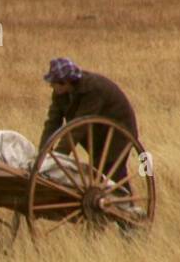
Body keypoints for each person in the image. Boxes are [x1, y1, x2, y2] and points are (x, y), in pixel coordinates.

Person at [39, 58, 139, 192]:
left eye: (53, 83)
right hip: (96, 135)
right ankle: (124, 204)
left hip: (118, 131)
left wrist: (58, 158)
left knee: (109, 171)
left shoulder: (93, 89)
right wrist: (42, 155)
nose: (51, 86)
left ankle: (127, 207)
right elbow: (52, 122)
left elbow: (78, 127)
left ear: (66, 82)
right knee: (100, 172)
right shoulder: (59, 93)